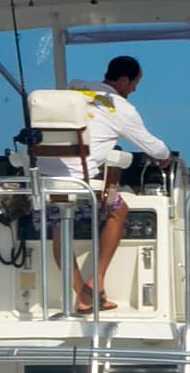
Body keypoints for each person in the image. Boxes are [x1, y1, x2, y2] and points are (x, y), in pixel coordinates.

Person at [61, 58, 172, 314]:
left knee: (59, 226)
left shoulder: (74, 87)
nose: (134, 90)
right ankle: (96, 280)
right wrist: (165, 157)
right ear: (124, 80)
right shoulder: (122, 109)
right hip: (84, 182)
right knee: (118, 209)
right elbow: (153, 147)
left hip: (46, 179)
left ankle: (82, 294)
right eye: (135, 84)